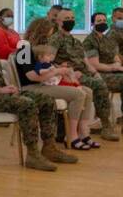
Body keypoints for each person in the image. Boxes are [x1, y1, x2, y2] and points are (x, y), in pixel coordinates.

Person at [0, 7, 75, 172]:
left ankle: (49, 147)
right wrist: (0, 90)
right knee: (26, 104)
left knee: (47, 101)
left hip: (0, 93)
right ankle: (33, 154)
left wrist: (6, 88)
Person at [50, 6, 123, 141]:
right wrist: (67, 72)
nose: (70, 21)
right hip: (71, 77)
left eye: (72, 18)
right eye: (67, 19)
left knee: (99, 82)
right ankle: (105, 126)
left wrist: (95, 73)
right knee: (99, 86)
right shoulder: (56, 39)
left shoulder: (75, 41)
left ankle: (91, 127)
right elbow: (49, 61)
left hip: (84, 73)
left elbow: (86, 61)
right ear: (58, 21)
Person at [22, 17, 97, 151]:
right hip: (33, 86)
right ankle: (72, 136)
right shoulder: (25, 49)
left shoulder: (41, 49)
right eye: (48, 35)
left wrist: (62, 70)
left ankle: (83, 132)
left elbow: (47, 66)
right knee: (78, 94)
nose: (49, 39)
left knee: (88, 91)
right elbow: (32, 76)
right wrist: (58, 71)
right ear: (40, 33)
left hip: (46, 83)